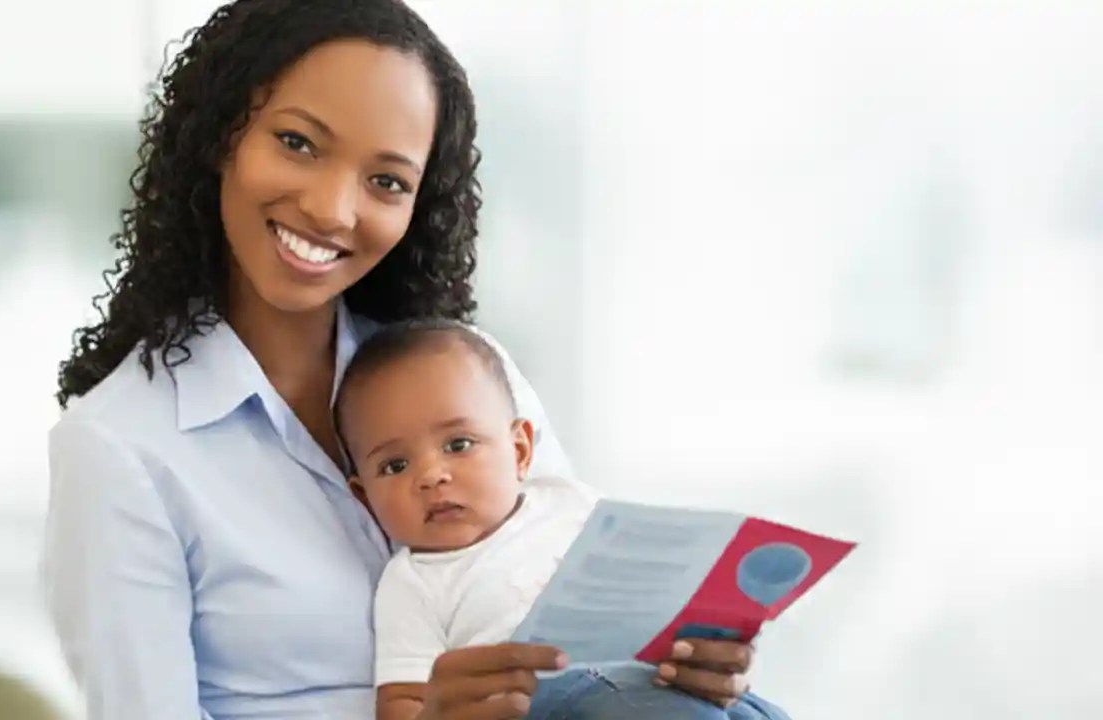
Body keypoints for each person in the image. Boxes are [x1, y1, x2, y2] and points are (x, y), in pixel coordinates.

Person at [43, 0, 761, 717]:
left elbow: (575, 617)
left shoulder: (467, 376)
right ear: (218, 134)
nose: (331, 210)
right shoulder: (119, 451)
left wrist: (675, 661)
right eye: (297, 142)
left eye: (386, 181)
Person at [336, 319, 791, 720]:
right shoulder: (412, 582)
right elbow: (404, 706)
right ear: (363, 496)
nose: (432, 476)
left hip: (651, 677)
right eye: (395, 466)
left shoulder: (566, 501)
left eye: (458, 445)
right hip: (549, 700)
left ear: (520, 451)